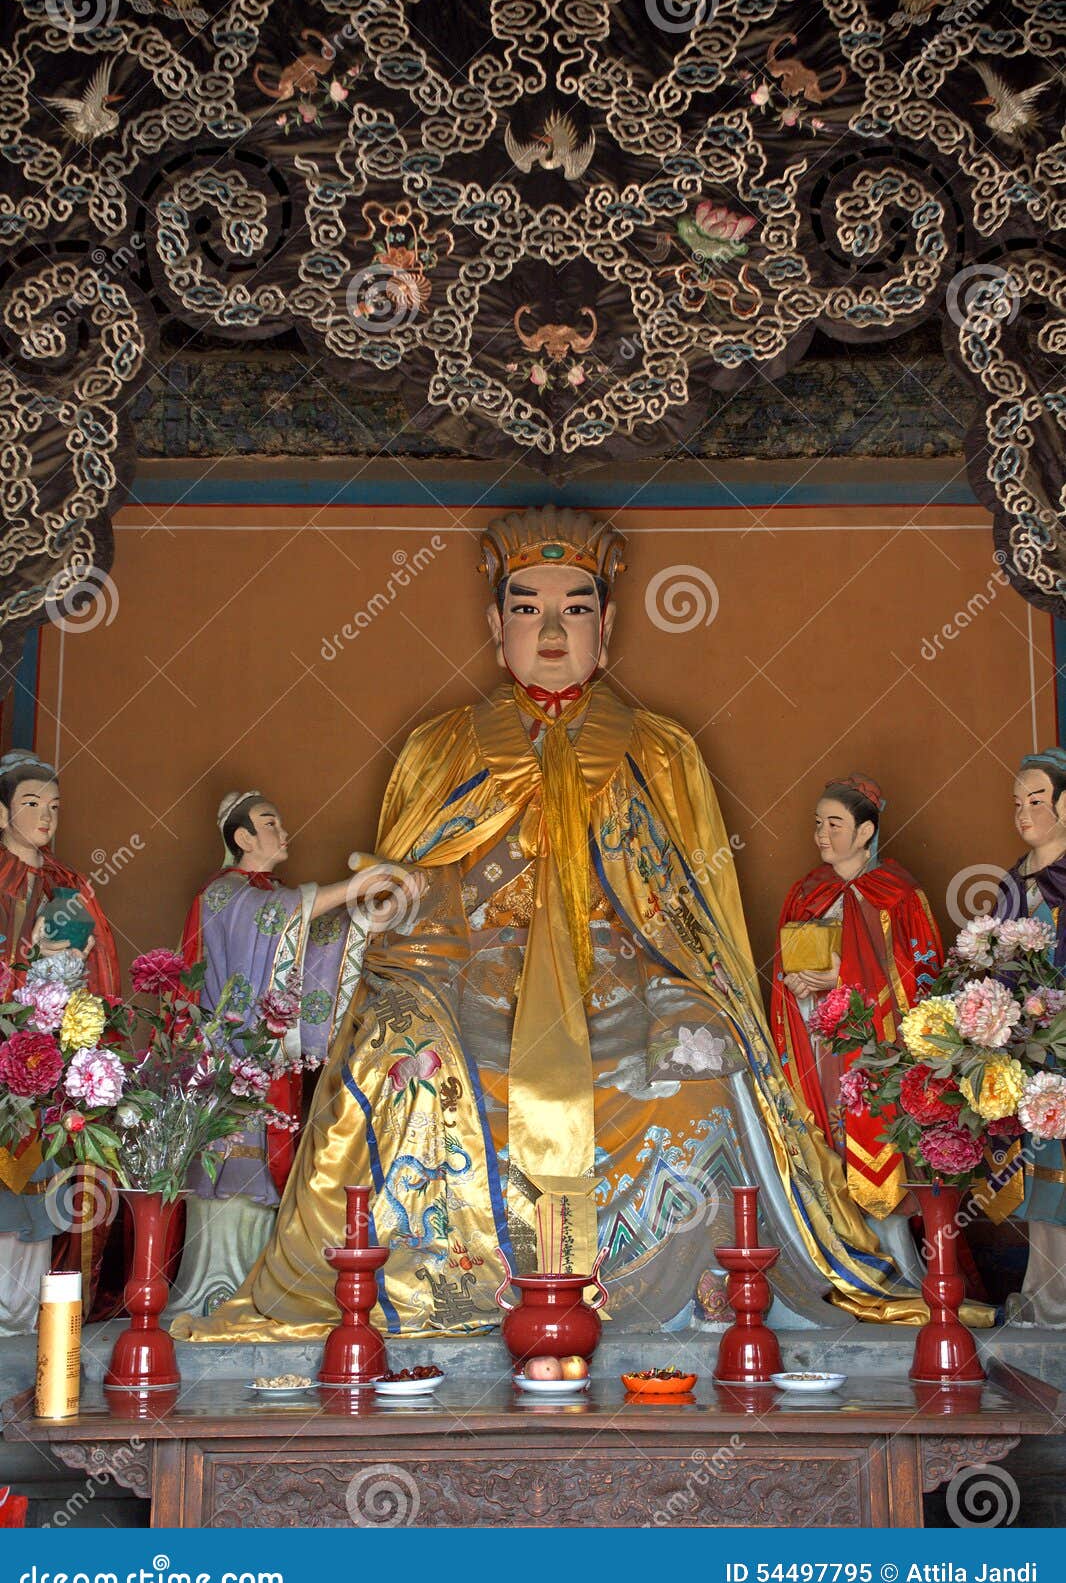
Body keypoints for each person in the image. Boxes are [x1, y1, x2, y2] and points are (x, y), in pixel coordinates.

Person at [174, 509, 954, 1345]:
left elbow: (691, 916)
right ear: (493, 626)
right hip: (467, 980)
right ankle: (433, 1285)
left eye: (576, 609)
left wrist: (679, 990)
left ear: (608, 628)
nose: (550, 629)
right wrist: (397, 928)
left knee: (706, 1061)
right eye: (526, 608)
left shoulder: (659, 750)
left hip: (632, 978)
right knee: (399, 1048)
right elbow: (410, 902)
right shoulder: (441, 748)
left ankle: (698, 1297)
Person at [167, 791, 414, 1317]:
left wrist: (367, 915)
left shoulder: (267, 898)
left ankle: (252, 1284)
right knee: (227, 1177)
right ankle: (214, 1291)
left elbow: (312, 932)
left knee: (262, 1184)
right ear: (242, 838)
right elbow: (279, 916)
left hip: (262, 1066)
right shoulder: (222, 894)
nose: (284, 832)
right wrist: (356, 886)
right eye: (269, 823)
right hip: (221, 1063)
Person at [770, 776, 944, 1282]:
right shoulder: (807, 892)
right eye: (818, 823)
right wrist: (799, 985)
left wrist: (841, 978)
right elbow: (786, 966)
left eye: (835, 823)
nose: (822, 833)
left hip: (876, 1047)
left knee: (879, 1134)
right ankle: (840, 1258)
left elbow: (921, 975)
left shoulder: (899, 893)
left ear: (866, 830)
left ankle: (898, 1262)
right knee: (826, 1139)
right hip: (818, 1042)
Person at [0, 750, 119, 1332]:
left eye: (54, 807)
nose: (45, 817)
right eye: (30, 804)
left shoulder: (69, 884)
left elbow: (98, 976)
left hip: (48, 1060)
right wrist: (25, 968)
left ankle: (27, 1330)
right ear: (2, 813)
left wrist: (76, 970)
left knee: (40, 1193)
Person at [996, 748, 1066, 1326]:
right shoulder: (1013, 883)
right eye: (1017, 802)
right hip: (1035, 1053)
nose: (1023, 813)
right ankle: (1046, 1291)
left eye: (1036, 800)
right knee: (1043, 1173)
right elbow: (994, 965)